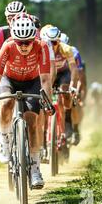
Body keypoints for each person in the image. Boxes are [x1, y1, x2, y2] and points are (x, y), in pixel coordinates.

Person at [0, 15, 53, 189]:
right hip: (8, 80)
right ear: (14, 40)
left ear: (34, 38)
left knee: (32, 121)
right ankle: (4, 139)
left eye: (28, 42)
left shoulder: (42, 47)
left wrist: (47, 101)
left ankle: (35, 170)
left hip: (32, 82)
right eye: (20, 42)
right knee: (6, 102)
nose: (24, 46)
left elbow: (46, 79)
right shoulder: (7, 46)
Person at [40, 25, 79, 155]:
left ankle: (65, 126)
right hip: (47, 75)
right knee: (44, 106)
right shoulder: (41, 48)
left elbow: (74, 69)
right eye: (50, 42)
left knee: (64, 93)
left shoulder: (66, 49)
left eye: (56, 42)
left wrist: (73, 85)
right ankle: (44, 141)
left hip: (63, 74)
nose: (53, 45)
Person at [60, 33, 86, 145]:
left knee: (73, 102)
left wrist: (78, 93)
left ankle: (75, 129)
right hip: (59, 77)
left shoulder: (74, 53)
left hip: (73, 76)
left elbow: (81, 79)